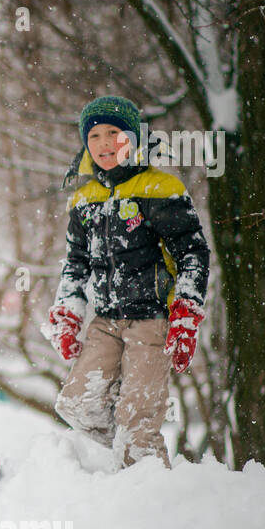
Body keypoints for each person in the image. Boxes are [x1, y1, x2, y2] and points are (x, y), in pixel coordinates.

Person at [44, 95, 211, 467]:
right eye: (95, 136)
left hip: (151, 321)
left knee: (138, 423)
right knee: (77, 405)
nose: (103, 143)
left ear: (133, 138)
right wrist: (69, 312)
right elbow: (76, 264)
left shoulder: (160, 189)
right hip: (105, 322)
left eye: (113, 133)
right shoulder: (85, 198)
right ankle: (119, 461)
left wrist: (186, 311)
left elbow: (193, 253)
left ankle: (146, 491)